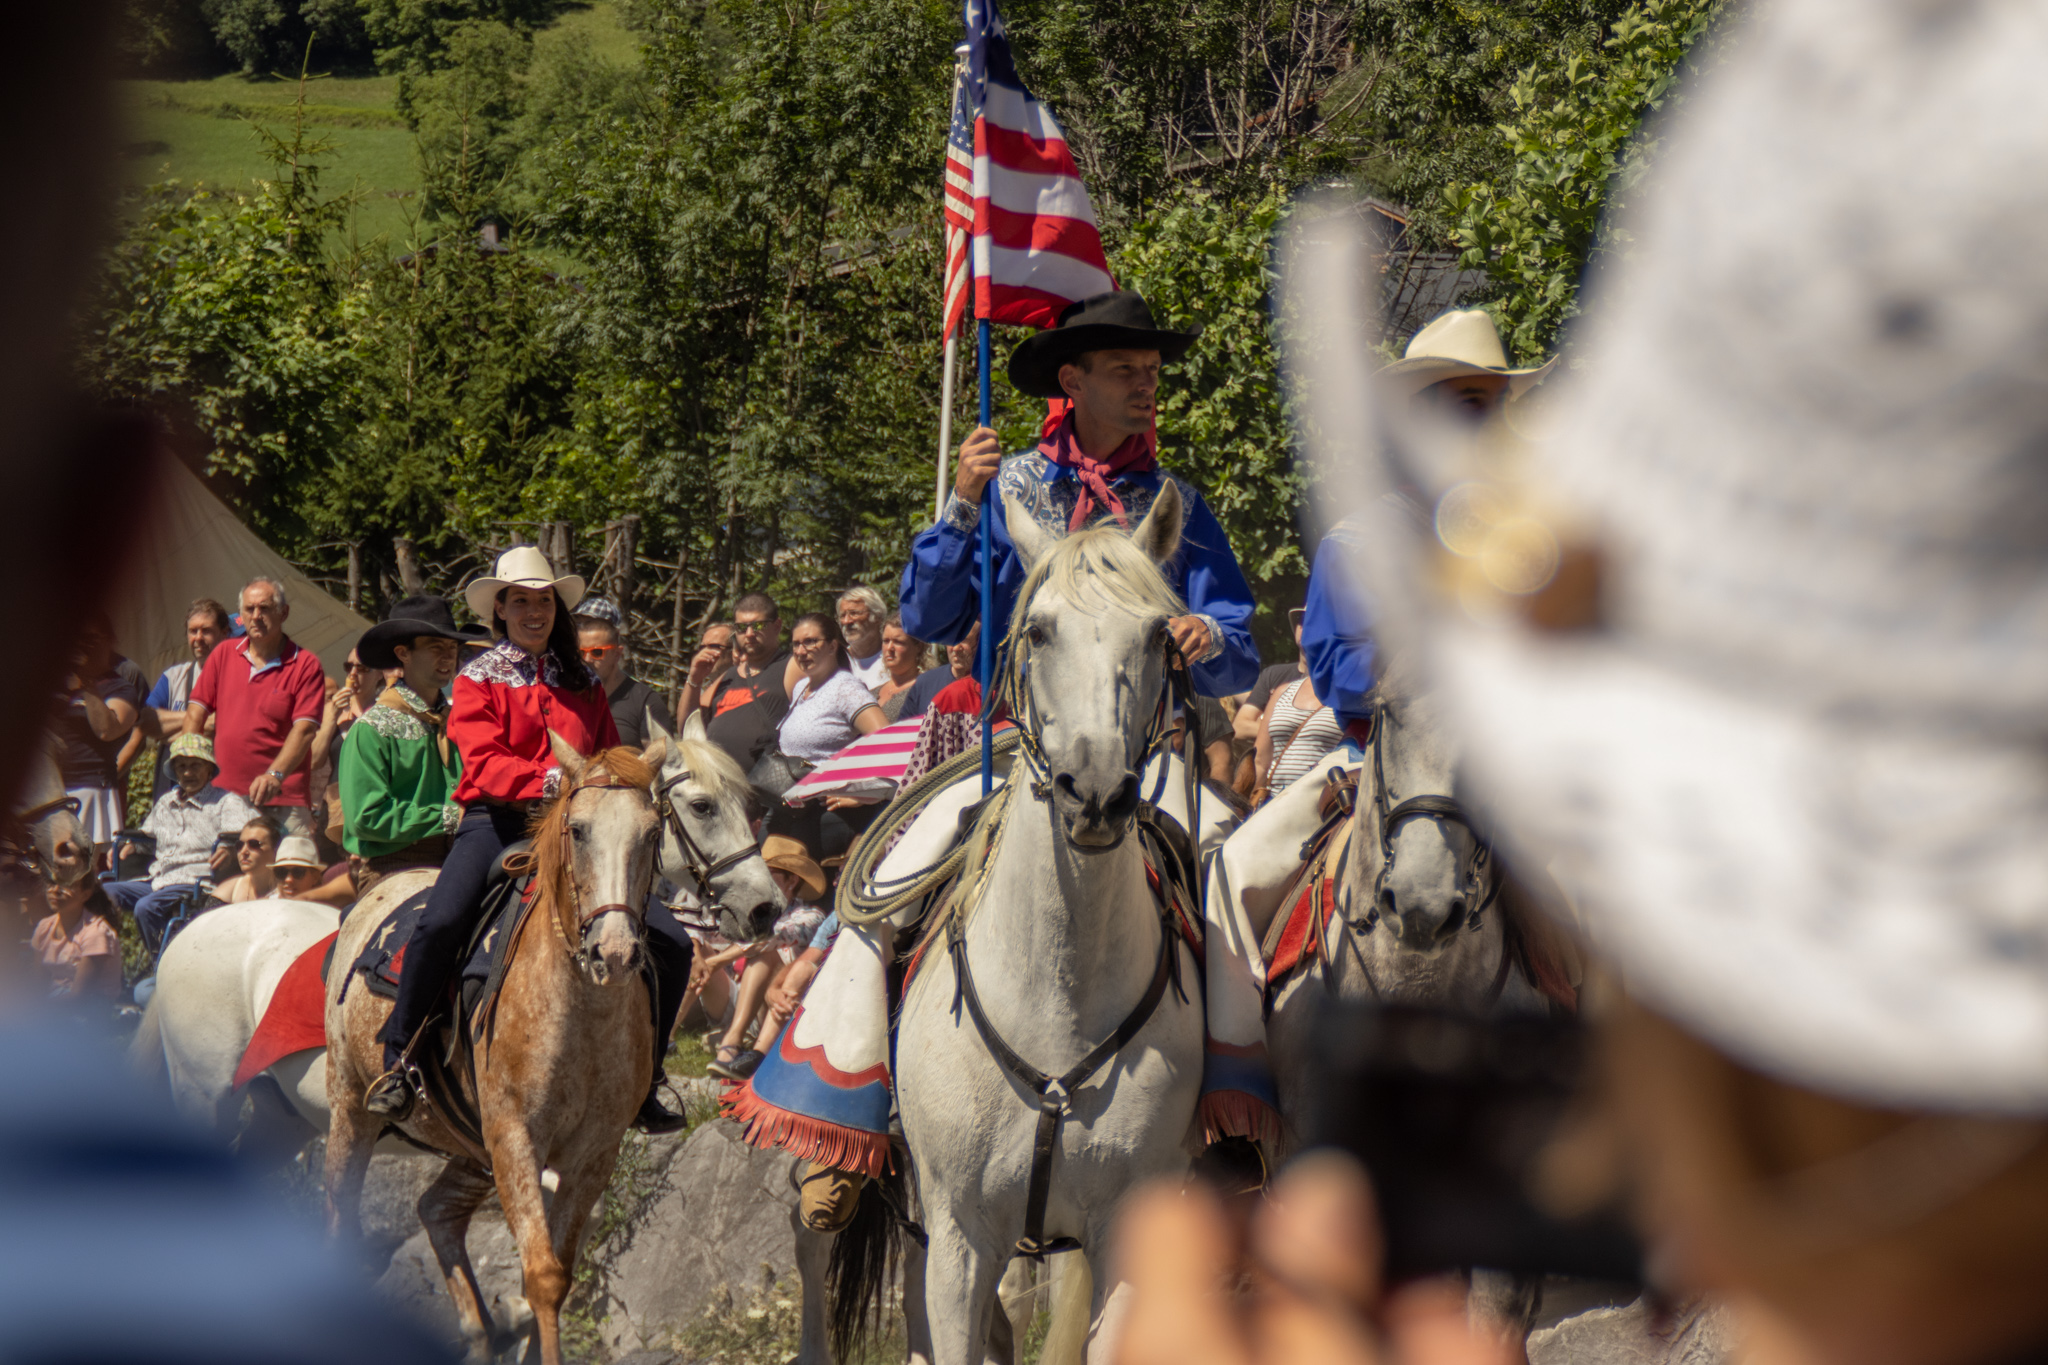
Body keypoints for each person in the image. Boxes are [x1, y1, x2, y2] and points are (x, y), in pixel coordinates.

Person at [367, 546, 691, 1134]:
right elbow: (484, 763)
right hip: (496, 823)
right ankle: (400, 1059)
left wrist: (620, 778)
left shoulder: (583, 680)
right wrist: (556, 781)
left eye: (543, 601)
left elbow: (608, 753)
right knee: (442, 922)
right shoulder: (476, 678)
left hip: (580, 832)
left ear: (556, 609)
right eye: (521, 601)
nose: (533, 611)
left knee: (674, 943)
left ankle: (648, 1079)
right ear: (500, 609)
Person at [899, 290, 1261, 700]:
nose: (1147, 385)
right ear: (1073, 381)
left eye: (1153, 369)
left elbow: (1241, 660)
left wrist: (1206, 635)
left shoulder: (1179, 505)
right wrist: (964, 501)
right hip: (1015, 725)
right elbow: (929, 621)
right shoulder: (1005, 492)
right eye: (1125, 368)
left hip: (1142, 732)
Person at [1300, 309, 1549, 737]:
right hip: (1392, 760)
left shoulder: (1537, 532)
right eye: (1473, 402)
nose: (1496, 421)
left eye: (1503, 404)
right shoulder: (1357, 542)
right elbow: (1332, 669)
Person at [338, 595, 468, 891]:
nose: (448, 657)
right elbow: (365, 817)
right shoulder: (371, 729)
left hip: (463, 857)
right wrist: (450, 817)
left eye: (452, 648)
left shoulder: (460, 722)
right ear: (403, 653)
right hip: (394, 865)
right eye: (435, 647)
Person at [184, 577, 329, 840]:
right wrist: (189, 765)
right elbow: (196, 712)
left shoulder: (305, 665)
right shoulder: (223, 654)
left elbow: (305, 730)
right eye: (249, 609)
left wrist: (275, 775)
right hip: (224, 797)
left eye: (265, 608)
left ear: (283, 613)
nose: (256, 616)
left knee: (289, 866)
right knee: (223, 866)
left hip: (283, 800)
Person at [103, 733, 256, 955]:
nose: (187, 773)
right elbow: (148, 839)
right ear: (174, 770)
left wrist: (228, 848)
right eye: (181, 766)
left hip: (194, 879)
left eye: (195, 766)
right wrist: (131, 846)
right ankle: (107, 956)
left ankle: (161, 960)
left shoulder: (226, 801)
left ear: (209, 769)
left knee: (146, 907)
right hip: (158, 878)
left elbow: (243, 835)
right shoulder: (166, 802)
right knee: (104, 894)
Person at [702, 835, 828, 1081]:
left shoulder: (812, 916)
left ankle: (733, 1041)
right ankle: (668, 1036)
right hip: (740, 996)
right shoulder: (753, 911)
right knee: (694, 950)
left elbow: (772, 937)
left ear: (792, 881)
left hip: (777, 1006)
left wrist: (716, 962)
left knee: (766, 955)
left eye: (768, 874)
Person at [763, 613, 886, 862]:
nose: (801, 651)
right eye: (796, 644)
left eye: (810, 642)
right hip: (789, 809)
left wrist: (864, 793)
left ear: (832, 646)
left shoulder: (846, 688)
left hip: (823, 818)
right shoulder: (801, 688)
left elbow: (886, 742)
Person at [52, 610, 141, 848]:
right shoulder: (59, 685)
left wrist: (87, 683)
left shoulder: (120, 687)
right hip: (53, 788)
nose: (83, 647)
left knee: (82, 864)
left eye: (90, 639)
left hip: (90, 788)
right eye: (77, 639)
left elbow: (106, 730)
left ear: (109, 641)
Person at [684, 593, 795, 774]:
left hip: (768, 784)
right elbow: (688, 725)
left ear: (777, 626)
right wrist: (694, 680)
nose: (749, 634)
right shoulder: (728, 676)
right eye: (742, 628)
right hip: (720, 784)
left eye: (758, 625)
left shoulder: (791, 666)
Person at [139, 597, 233, 798]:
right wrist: (197, 719)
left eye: (206, 631)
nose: (198, 638)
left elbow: (222, 727)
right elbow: (146, 722)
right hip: (172, 785)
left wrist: (166, 734)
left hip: (219, 787)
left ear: (225, 633)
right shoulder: (174, 677)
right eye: (193, 631)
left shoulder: (237, 678)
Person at [575, 603, 665, 748]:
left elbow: (662, 757)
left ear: (617, 654)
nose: (587, 659)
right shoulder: (567, 698)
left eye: (597, 652)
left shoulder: (646, 702)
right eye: (580, 653)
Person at [30, 874, 121, 1001]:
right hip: (56, 999)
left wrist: (37, 1007)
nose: (55, 890)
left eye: (66, 885)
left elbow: (78, 996)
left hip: (91, 1005)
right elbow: (36, 983)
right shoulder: (44, 927)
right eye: (51, 883)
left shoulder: (96, 933)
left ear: (85, 895)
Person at [893, 621, 977, 722]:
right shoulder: (924, 684)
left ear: (979, 643)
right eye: (951, 640)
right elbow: (904, 728)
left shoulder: (988, 686)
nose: (955, 648)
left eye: (964, 640)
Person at [205, 815, 281, 906]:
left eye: (254, 844)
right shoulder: (228, 892)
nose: (243, 852)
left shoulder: (288, 891)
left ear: (276, 850)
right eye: (240, 845)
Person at [872, 614, 928, 718]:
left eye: (898, 642)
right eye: (886, 641)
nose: (889, 648)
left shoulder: (923, 691)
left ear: (918, 647)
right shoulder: (872, 693)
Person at [836, 586, 889, 690]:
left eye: (854, 613)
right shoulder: (835, 663)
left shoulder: (894, 659)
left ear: (877, 617)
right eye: (842, 615)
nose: (847, 621)